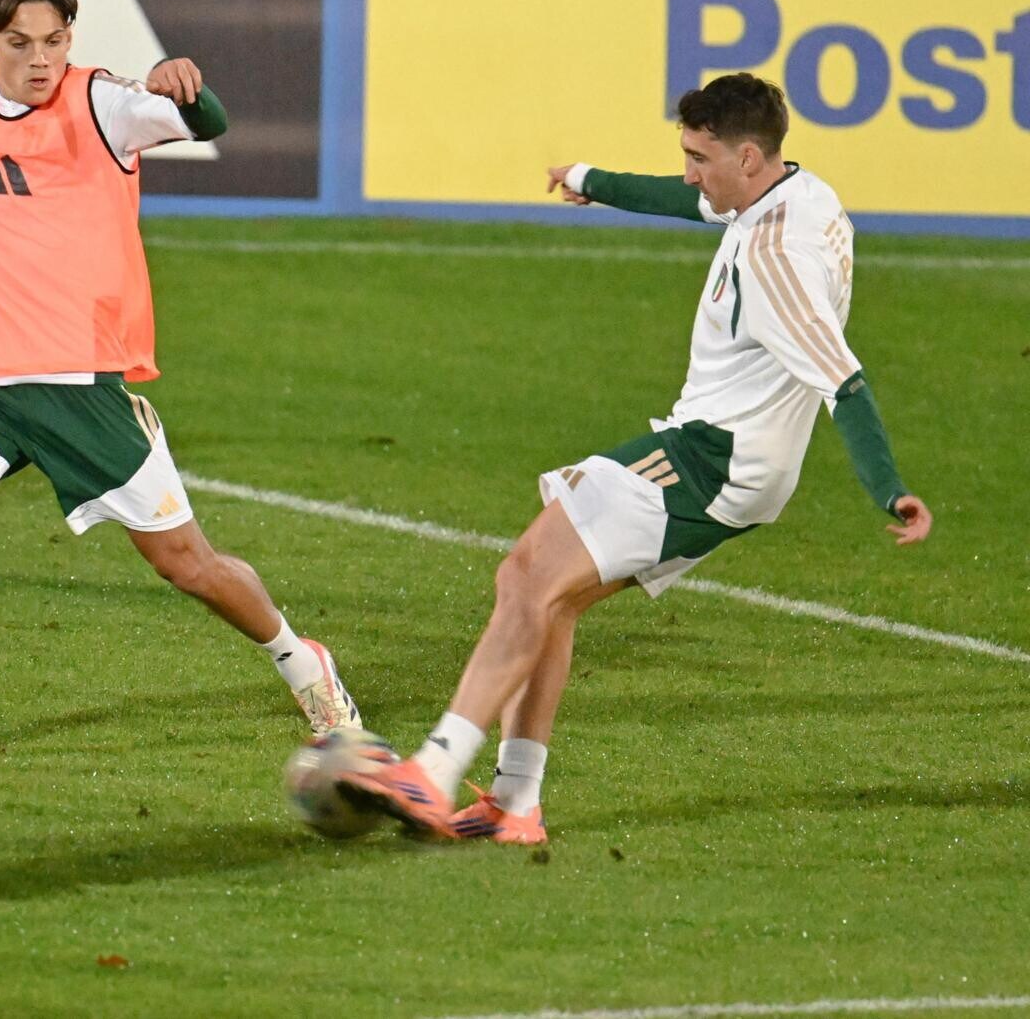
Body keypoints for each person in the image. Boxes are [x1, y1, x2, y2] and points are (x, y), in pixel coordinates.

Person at [339, 73, 932, 845]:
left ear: (748, 157)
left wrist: (890, 490)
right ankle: (516, 803)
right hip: (725, 456)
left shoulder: (779, 258)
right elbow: (691, 201)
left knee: (526, 572)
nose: (689, 171)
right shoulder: (796, 193)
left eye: (698, 155)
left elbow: (844, 382)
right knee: (551, 595)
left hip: (711, 458)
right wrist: (593, 182)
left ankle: (433, 771)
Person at [0, 0, 360, 738]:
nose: (40, 60)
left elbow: (211, 123)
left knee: (187, 564)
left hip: (81, 390)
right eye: (21, 43)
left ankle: (302, 661)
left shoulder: (104, 103)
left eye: (55, 42)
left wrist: (182, 86)